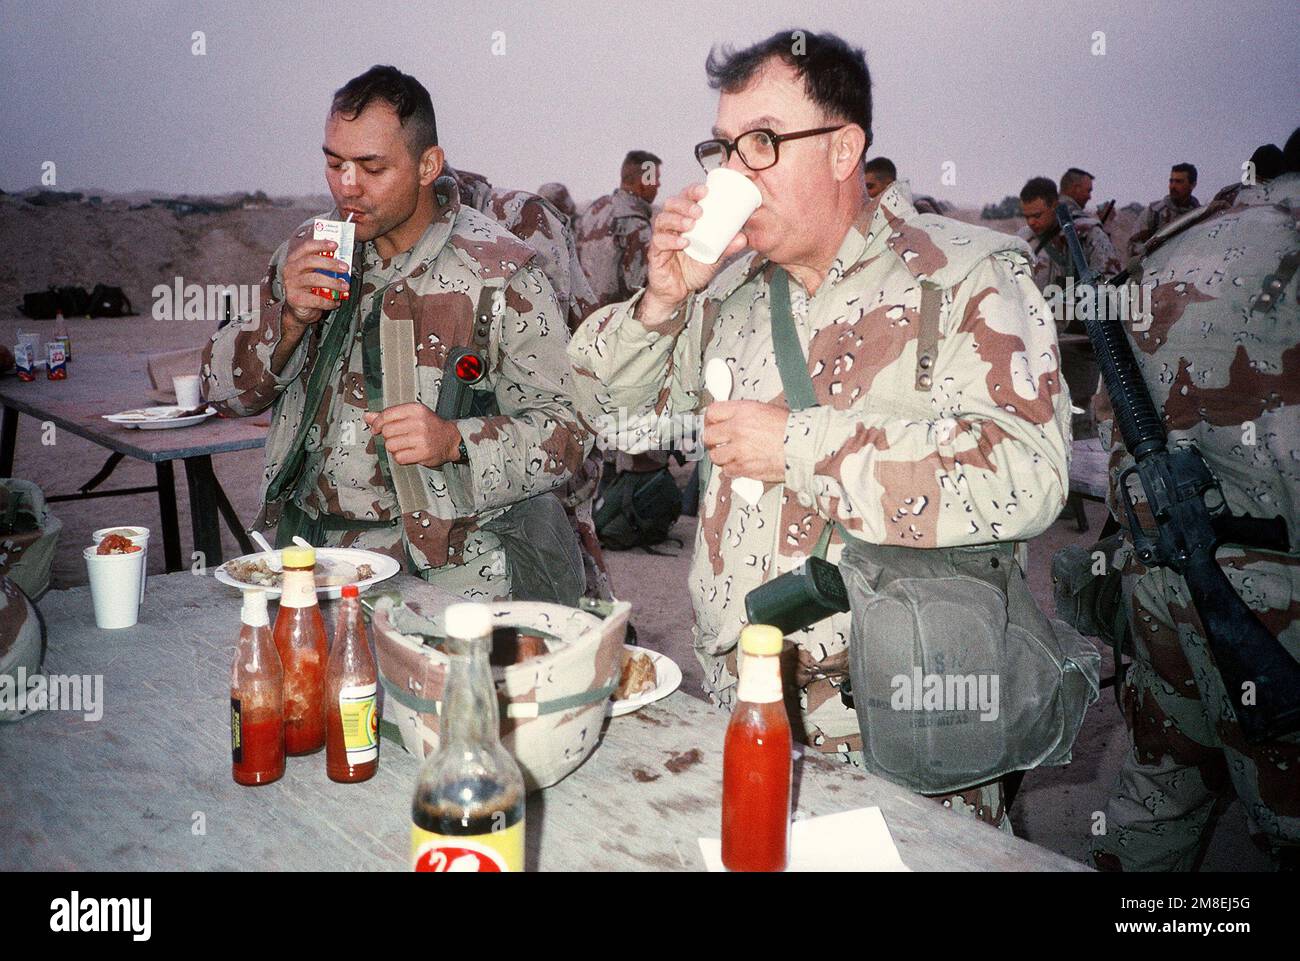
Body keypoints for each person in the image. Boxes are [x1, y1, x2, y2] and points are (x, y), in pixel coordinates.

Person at [568, 30, 1072, 829]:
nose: (734, 171)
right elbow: (595, 408)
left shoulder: (964, 274)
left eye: (762, 143)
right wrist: (660, 303)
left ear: (845, 151)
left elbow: (1028, 474)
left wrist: (797, 444)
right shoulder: (731, 298)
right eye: (724, 148)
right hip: (749, 698)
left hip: (900, 714)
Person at [201, 65, 591, 600]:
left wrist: (456, 441)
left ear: (428, 165)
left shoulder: (500, 275)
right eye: (334, 163)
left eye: (371, 167)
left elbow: (569, 434)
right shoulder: (309, 251)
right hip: (313, 561)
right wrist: (287, 320)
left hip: (450, 575)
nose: (347, 186)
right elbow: (223, 393)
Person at [1088, 129, 1300, 872]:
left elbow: (1110, 423)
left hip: (1165, 591)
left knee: (1163, 787)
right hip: (1282, 597)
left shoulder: (1178, 245)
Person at [440, 164, 613, 602]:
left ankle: (597, 632)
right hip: (488, 442)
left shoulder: (522, 216)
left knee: (566, 548)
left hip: (545, 422)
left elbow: (549, 334)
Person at [576, 150, 662, 310]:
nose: (658, 184)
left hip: (586, 322)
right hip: (614, 323)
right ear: (645, 181)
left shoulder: (593, 211)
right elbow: (638, 285)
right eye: (656, 178)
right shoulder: (634, 219)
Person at [1019, 175, 1121, 301]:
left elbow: (1110, 284)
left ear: (1055, 206)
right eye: (1027, 217)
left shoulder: (1088, 234)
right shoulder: (1022, 239)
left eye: (1037, 215)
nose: (1031, 222)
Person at [1128, 162, 1200, 256]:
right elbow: (1132, 246)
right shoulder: (1154, 212)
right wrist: (1147, 248)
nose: (1173, 186)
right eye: (1171, 181)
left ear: (1192, 185)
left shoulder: (1200, 215)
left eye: (1179, 182)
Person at [865, 155, 942, 213]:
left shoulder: (918, 207)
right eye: (863, 188)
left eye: (869, 186)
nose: (865, 193)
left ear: (889, 185)